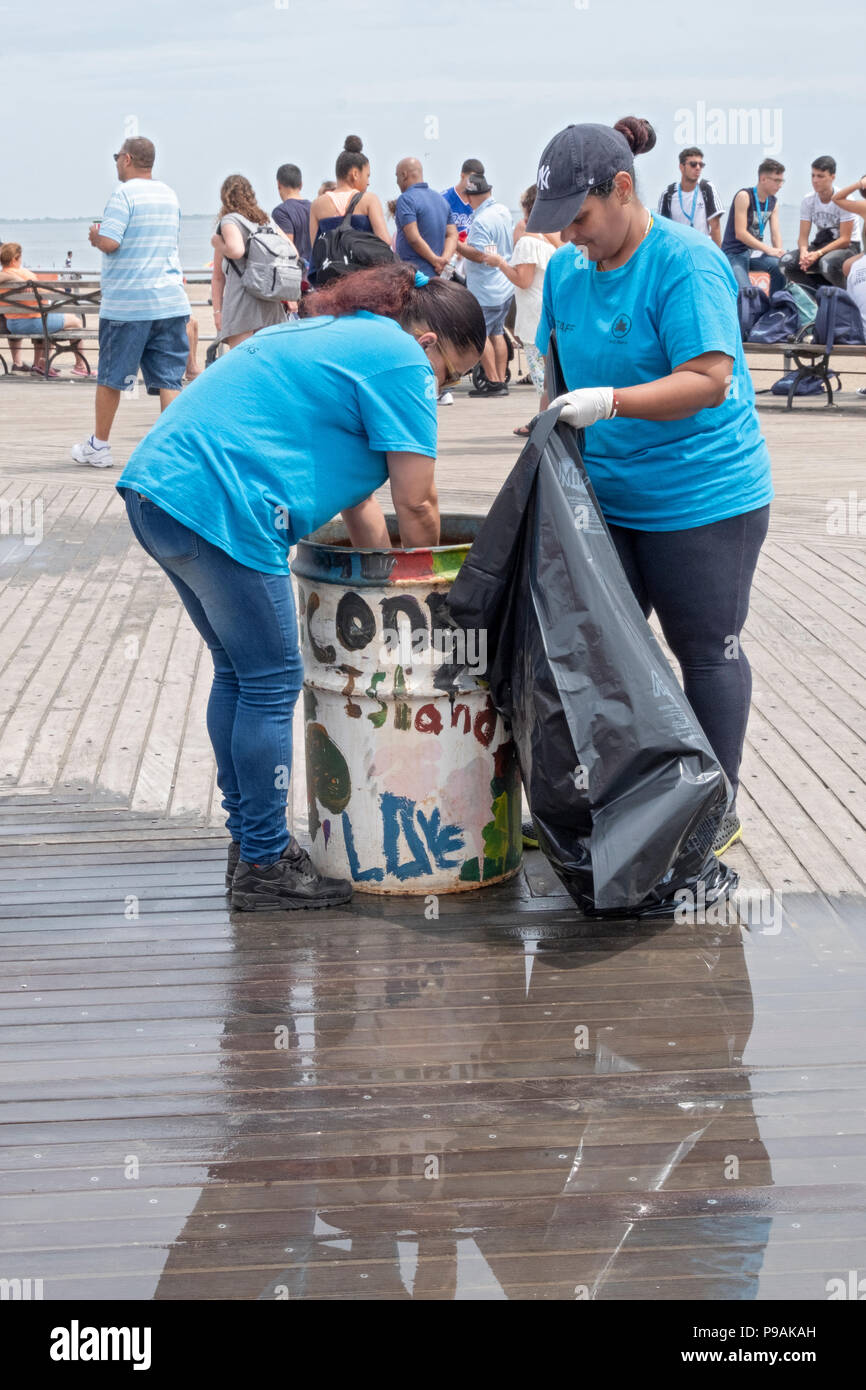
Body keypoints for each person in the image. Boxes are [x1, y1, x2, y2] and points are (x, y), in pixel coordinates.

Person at [115, 264, 484, 912]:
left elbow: (362, 507)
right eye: (450, 374)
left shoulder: (346, 335)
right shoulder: (402, 360)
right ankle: (263, 864)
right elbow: (419, 506)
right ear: (429, 344)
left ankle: (249, 841)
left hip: (159, 492)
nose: (442, 392)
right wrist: (436, 612)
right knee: (270, 680)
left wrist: (387, 595)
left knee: (240, 674)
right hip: (220, 506)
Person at [530, 116, 774, 857]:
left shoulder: (686, 262)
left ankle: (713, 812)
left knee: (705, 649)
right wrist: (549, 427)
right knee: (599, 650)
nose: (573, 236)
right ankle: (611, 801)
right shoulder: (567, 272)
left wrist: (610, 401)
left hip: (704, 495)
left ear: (624, 190)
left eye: (581, 218)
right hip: (605, 494)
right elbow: (556, 371)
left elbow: (708, 379)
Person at [71, 137, 190, 469]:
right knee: (169, 378)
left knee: (112, 377)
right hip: (169, 301)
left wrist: (96, 237)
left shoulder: (123, 195)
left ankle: (99, 446)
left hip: (128, 303)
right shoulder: (170, 194)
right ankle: (172, 450)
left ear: (126, 159)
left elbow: (110, 241)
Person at [481, 186, 559, 433]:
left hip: (534, 313)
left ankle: (546, 424)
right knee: (551, 374)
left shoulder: (527, 241)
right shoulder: (553, 236)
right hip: (549, 309)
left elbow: (523, 279)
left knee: (542, 376)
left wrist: (499, 263)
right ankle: (540, 421)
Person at [210, 175, 289, 348]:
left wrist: (218, 243)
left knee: (241, 367)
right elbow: (293, 252)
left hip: (241, 306)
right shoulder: (266, 222)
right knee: (269, 364)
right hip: (270, 302)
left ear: (225, 198)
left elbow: (231, 258)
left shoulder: (229, 221)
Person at [456, 173, 514, 396]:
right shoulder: (503, 211)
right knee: (497, 333)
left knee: (478, 337)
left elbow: (480, 255)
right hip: (504, 286)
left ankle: (493, 381)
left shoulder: (480, 221)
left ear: (472, 197)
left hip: (486, 289)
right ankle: (500, 380)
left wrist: (457, 246)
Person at [0, 241, 91, 377]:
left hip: (12, 325)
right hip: (32, 323)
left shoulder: (3, 276)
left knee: (54, 322)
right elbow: (46, 299)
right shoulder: (26, 275)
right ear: (15, 259)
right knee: (75, 322)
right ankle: (79, 365)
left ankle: (42, 363)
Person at [308, 136, 389, 282]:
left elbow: (316, 248)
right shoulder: (369, 199)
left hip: (331, 284)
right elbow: (385, 242)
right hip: (364, 281)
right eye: (367, 175)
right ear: (355, 174)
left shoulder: (317, 205)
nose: (368, 182)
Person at [781, 156, 859, 291]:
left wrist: (817, 254)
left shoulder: (845, 200)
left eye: (820, 176)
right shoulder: (808, 200)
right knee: (787, 263)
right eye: (813, 175)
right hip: (821, 245)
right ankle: (817, 296)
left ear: (832, 177)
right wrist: (804, 253)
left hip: (848, 248)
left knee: (827, 263)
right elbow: (803, 237)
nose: (815, 180)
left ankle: (848, 298)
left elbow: (845, 240)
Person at [720, 158, 786, 295]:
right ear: (763, 179)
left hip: (755, 253)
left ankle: (776, 309)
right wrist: (769, 250)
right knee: (747, 293)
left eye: (782, 181)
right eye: (776, 181)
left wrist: (779, 252)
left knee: (780, 268)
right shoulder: (744, 196)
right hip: (734, 252)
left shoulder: (773, 202)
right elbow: (740, 233)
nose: (780, 185)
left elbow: (775, 234)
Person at [394, 157, 458, 275]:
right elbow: (453, 234)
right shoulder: (441, 200)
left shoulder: (406, 199)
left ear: (404, 175)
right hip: (438, 277)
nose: (397, 181)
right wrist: (444, 260)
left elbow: (413, 237)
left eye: (397, 176)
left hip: (414, 276)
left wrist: (435, 261)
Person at [657, 147, 724, 247]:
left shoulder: (706, 189)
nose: (698, 168)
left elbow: (715, 227)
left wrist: (718, 258)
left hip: (702, 249)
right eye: (693, 164)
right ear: (681, 167)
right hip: (679, 251)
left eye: (701, 165)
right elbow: (663, 230)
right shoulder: (668, 194)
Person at [272, 163, 312, 267]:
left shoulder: (280, 212)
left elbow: (286, 249)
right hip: (315, 274)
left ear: (278, 184)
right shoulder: (314, 208)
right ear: (301, 185)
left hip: (296, 275)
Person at [441, 159, 485, 243]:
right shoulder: (443, 199)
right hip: (450, 250)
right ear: (462, 176)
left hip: (472, 251)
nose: (475, 183)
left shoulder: (481, 202)